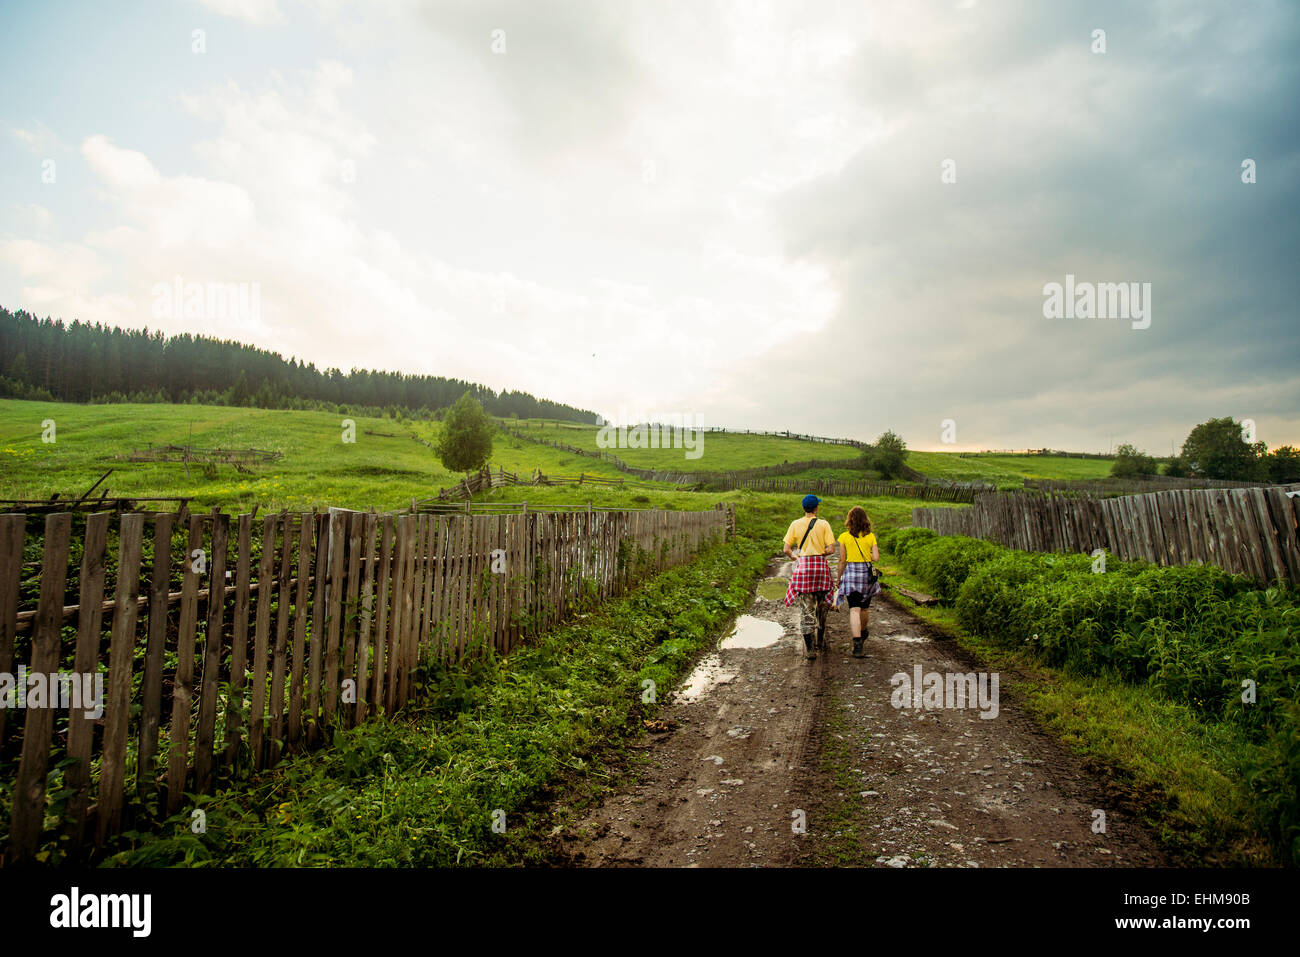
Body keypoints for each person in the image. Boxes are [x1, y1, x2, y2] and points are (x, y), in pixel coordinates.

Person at [782, 494, 837, 659]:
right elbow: (832, 549)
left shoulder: (795, 524)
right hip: (820, 569)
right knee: (822, 606)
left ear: (803, 508)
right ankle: (820, 640)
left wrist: (795, 557)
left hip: (804, 569)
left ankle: (810, 649)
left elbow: (786, 549)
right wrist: (821, 552)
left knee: (807, 608)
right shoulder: (824, 524)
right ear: (816, 508)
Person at [832, 505, 880, 658]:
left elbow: (842, 560)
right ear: (865, 520)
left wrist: (838, 579)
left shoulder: (844, 537)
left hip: (851, 573)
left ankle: (857, 644)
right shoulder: (870, 536)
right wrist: (868, 553)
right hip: (866, 574)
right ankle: (863, 631)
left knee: (854, 609)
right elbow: (876, 558)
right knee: (864, 609)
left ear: (849, 520)